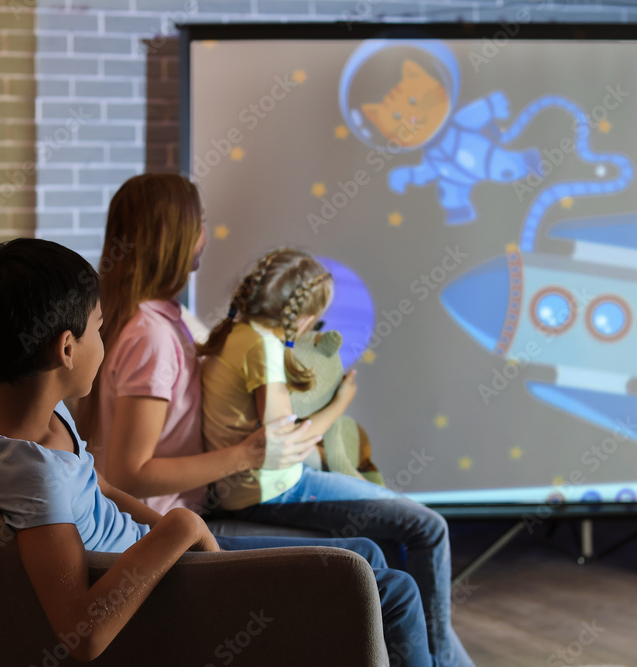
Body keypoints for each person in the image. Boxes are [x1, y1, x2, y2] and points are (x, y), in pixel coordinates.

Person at [0, 236, 432, 665]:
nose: (104, 346)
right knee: (395, 591)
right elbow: (81, 634)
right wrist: (182, 529)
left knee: (368, 551)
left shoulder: (32, 423)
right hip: (168, 591)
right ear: (67, 349)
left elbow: (99, 486)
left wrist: (175, 531)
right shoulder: (35, 476)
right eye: (100, 330)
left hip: (173, 556)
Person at [74, 174, 472, 667]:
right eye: (199, 223)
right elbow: (133, 471)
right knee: (376, 555)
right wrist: (247, 453)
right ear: (174, 235)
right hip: (175, 526)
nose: (206, 233)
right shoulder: (150, 337)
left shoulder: (161, 320)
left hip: (195, 510)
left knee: (384, 544)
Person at [199, 248, 472, 667]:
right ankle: (440, 662)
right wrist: (341, 402)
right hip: (273, 489)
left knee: (397, 538)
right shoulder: (260, 347)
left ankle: (432, 656)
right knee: (427, 528)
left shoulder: (238, 335)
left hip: (262, 485)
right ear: (302, 316)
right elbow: (281, 444)